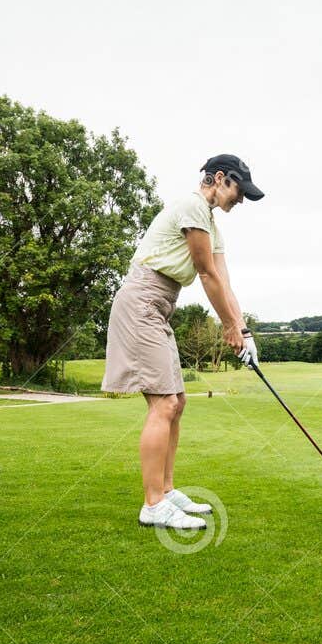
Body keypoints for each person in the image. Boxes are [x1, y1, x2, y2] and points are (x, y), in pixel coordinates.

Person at [103, 154, 264, 529]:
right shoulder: (193, 205)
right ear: (220, 179)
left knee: (177, 402)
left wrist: (244, 331)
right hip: (142, 300)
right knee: (163, 403)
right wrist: (227, 326)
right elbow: (206, 274)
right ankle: (153, 504)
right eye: (239, 192)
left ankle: (167, 490)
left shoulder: (211, 224)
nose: (240, 201)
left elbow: (223, 280)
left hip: (159, 305)